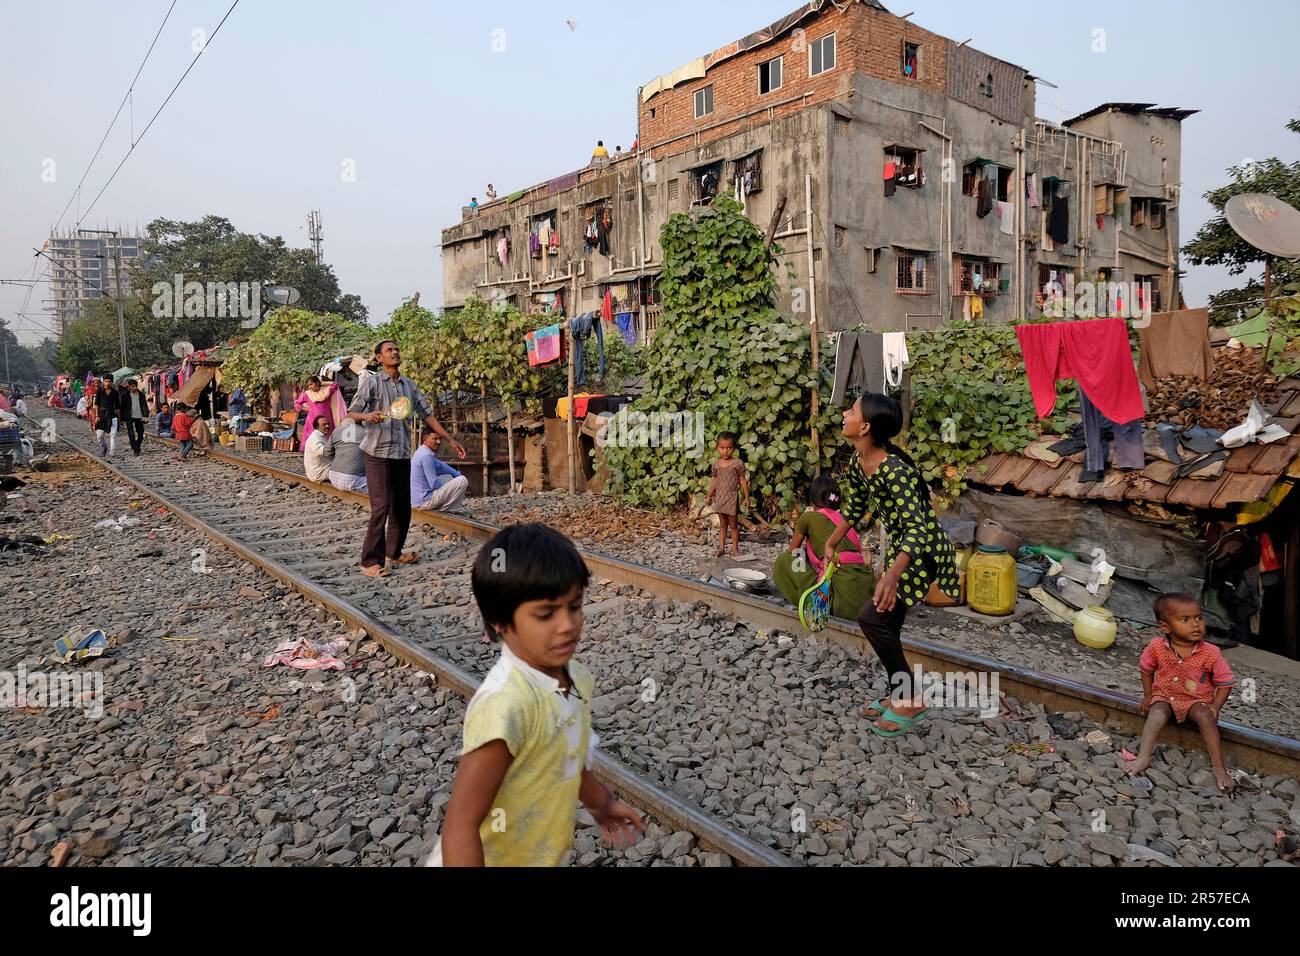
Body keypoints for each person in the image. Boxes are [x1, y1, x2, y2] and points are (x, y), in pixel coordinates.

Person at [431, 523, 644, 866]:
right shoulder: (506, 707)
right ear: (499, 621)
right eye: (546, 614)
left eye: (574, 607)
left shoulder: (577, 678)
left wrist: (602, 804)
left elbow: (565, 756)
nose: (567, 625)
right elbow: (460, 826)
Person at [823, 393, 960, 737]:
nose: (844, 413)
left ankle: (910, 699)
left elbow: (919, 527)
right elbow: (854, 509)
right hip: (902, 551)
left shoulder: (894, 470)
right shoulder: (858, 462)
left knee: (872, 617)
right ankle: (901, 695)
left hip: (920, 551)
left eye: (851, 411)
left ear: (865, 427)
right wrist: (832, 540)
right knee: (889, 623)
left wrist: (892, 576)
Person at [347, 340, 466, 578]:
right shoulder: (372, 383)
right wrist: (368, 416)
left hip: (401, 454)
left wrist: (450, 439)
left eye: (396, 349)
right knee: (381, 507)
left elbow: (427, 415)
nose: (395, 352)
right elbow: (351, 413)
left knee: (402, 507)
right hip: (377, 454)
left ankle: (393, 552)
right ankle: (369, 561)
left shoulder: (409, 386)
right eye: (389, 350)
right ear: (379, 358)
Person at [1129, 593, 1236, 790]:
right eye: (1185, 620)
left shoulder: (1211, 652)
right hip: (1165, 695)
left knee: (1206, 717)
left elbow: (1226, 682)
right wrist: (1148, 694)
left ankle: (1219, 768)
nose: (1195, 624)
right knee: (1157, 714)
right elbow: (1146, 669)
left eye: (1199, 618)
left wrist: (1215, 707)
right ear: (1165, 627)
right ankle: (1143, 757)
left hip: (1196, 700)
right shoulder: (1156, 647)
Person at [773, 475, 876, 621]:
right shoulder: (845, 520)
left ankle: (810, 602)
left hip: (840, 603)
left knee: (785, 560)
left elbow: (793, 551)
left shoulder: (807, 517)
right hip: (864, 598)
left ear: (812, 499)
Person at [705, 431, 750, 557]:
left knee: (734, 525)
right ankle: (721, 547)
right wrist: (709, 495)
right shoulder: (717, 464)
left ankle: (735, 548)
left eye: (729, 448)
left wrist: (746, 497)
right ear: (717, 448)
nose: (726, 451)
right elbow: (714, 480)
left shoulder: (737, 463)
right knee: (723, 525)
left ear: (734, 449)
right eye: (722, 447)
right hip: (720, 498)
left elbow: (742, 480)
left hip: (732, 498)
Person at [412, 428, 469, 512]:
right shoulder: (426, 456)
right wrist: (450, 487)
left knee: (449, 477)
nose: (438, 442)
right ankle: (447, 510)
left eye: (440, 439)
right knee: (462, 481)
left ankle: (443, 508)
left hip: (416, 500)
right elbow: (433, 483)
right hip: (424, 501)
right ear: (425, 439)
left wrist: (456, 475)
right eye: (435, 439)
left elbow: (442, 466)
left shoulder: (421, 451)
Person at [325, 420, 368, 492]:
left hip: (333, 476)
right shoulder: (367, 432)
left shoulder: (337, 430)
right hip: (352, 479)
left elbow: (327, 453)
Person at [294, 376, 339, 443]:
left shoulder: (326, 391)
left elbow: (335, 385)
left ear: (317, 383)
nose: (310, 387)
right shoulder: (307, 394)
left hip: (326, 418)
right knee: (313, 438)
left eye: (311, 384)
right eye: (308, 385)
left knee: (327, 436)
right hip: (313, 419)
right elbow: (297, 404)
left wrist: (322, 382)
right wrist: (306, 409)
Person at [118, 379, 150, 456]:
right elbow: (122, 407)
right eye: (132, 386)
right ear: (129, 387)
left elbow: (144, 405)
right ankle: (136, 449)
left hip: (139, 416)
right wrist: (122, 419)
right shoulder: (125, 395)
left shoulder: (141, 395)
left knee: (140, 433)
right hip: (129, 416)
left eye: (135, 386)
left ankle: (137, 446)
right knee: (131, 434)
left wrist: (145, 415)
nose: (134, 388)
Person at [303, 414, 333, 483]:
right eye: (324, 425)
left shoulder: (320, 435)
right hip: (319, 473)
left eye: (328, 424)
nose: (327, 426)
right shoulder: (315, 438)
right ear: (317, 427)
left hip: (321, 469)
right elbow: (322, 450)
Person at [93, 376, 118, 456]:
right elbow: (96, 404)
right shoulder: (99, 391)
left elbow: (117, 406)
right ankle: (104, 446)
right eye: (106, 381)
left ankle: (112, 452)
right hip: (101, 415)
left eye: (109, 381)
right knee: (99, 435)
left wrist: (119, 418)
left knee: (113, 435)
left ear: (112, 382)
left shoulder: (115, 392)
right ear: (103, 382)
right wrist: (97, 416)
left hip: (112, 415)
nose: (107, 383)